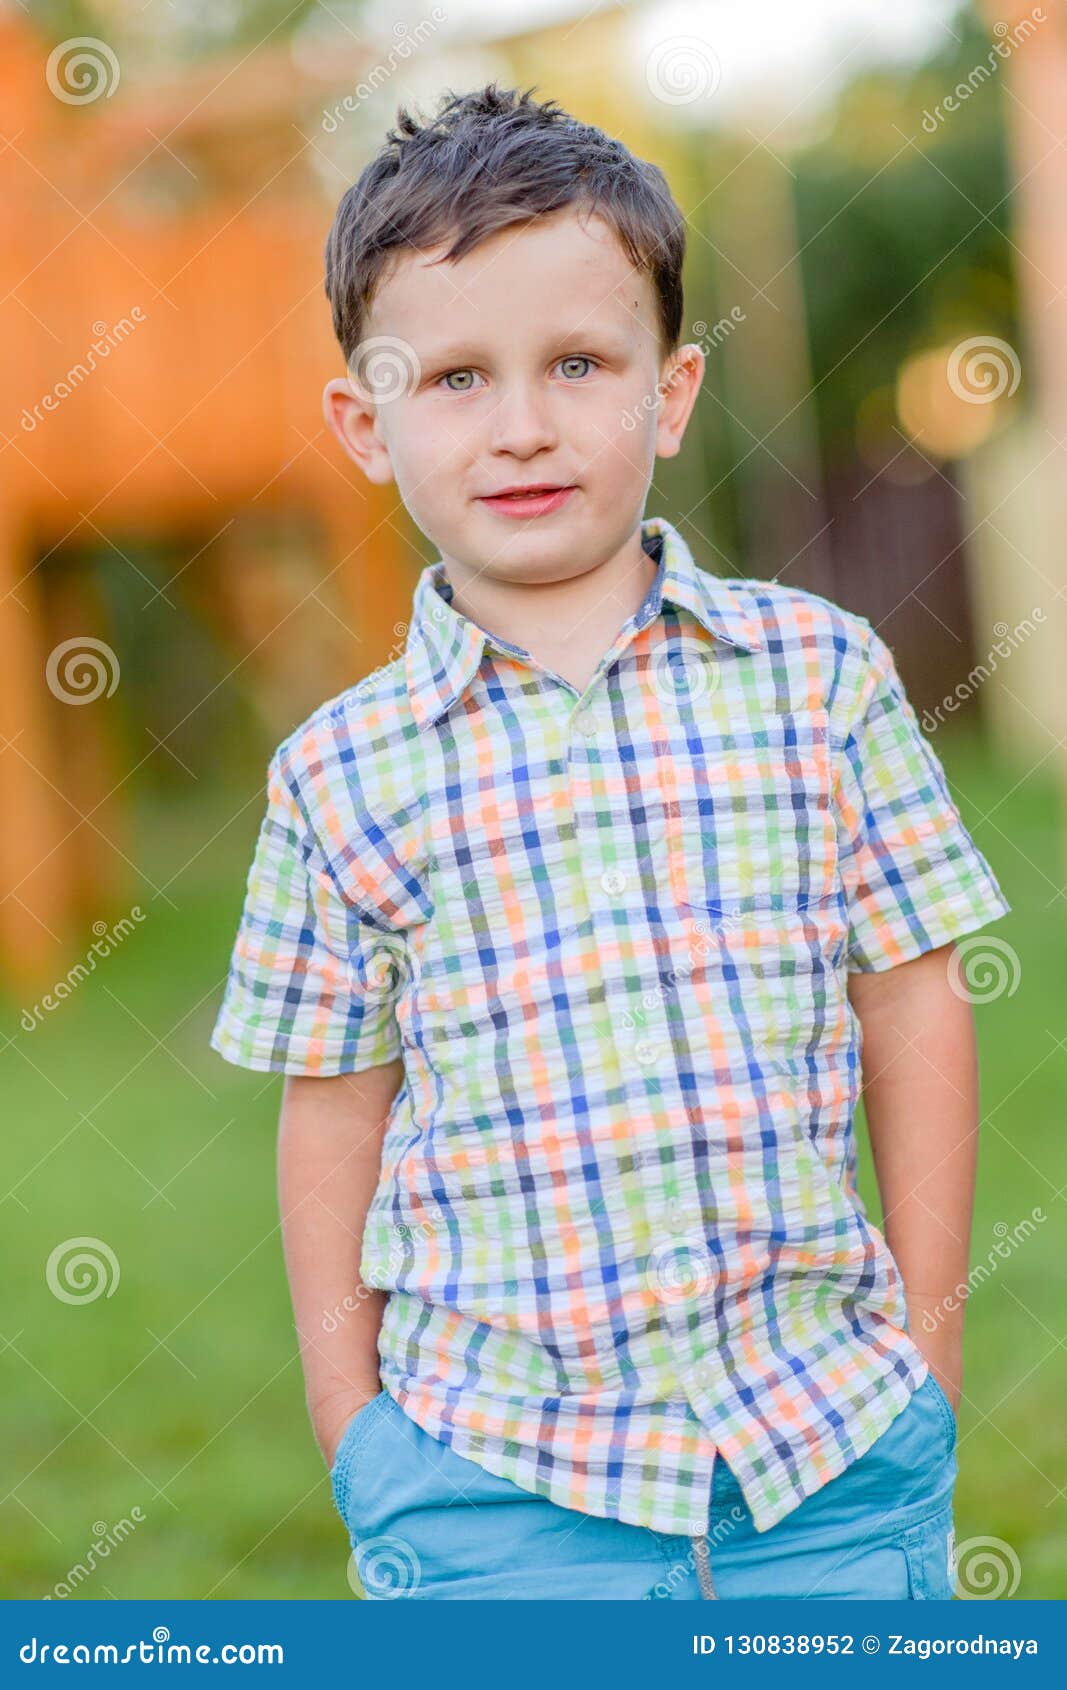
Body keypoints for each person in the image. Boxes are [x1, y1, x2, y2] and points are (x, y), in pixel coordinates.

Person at [210, 83, 1010, 1600]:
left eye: (578, 363)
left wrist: (931, 1349)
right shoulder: (340, 775)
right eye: (453, 378)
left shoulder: (820, 677)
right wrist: (353, 1428)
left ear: (671, 391)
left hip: (825, 1457)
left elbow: (914, 996)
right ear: (363, 425)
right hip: (493, 1483)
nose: (522, 426)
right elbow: (333, 1107)